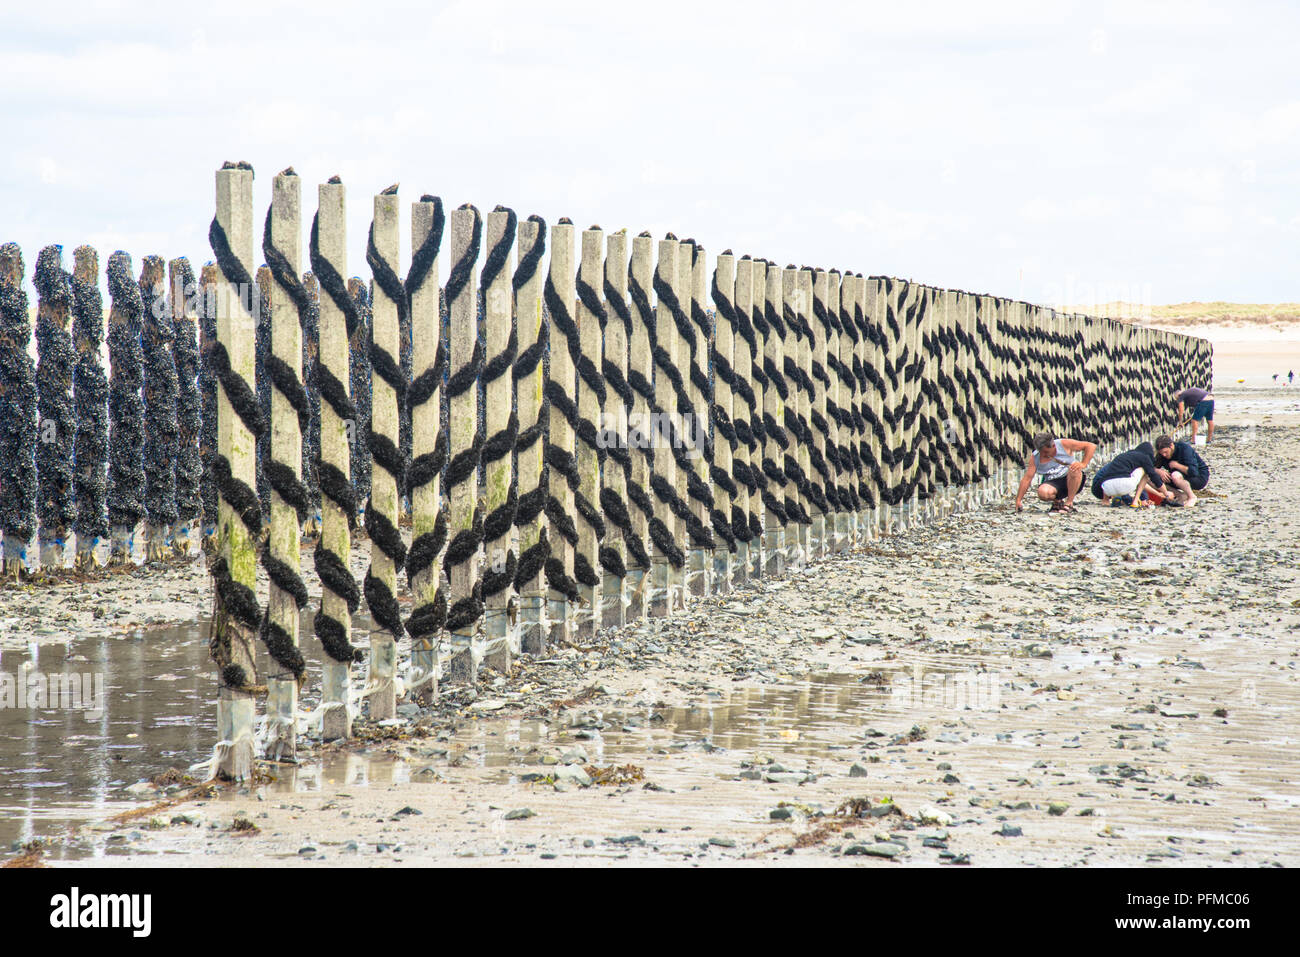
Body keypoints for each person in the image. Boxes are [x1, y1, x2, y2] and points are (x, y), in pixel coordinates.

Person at [1014, 431, 1096, 513]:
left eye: (1046, 452)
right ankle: (1057, 502)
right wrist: (1018, 500)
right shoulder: (1036, 456)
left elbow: (1090, 446)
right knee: (1043, 493)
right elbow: (1027, 479)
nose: (1043, 454)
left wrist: (1083, 463)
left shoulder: (1063, 444)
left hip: (1072, 479)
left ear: (1053, 446)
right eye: (1041, 452)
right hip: (1053, 482)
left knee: (1074, 468)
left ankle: (1069, 503)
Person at [1090, 441, 1170, 508]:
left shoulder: (1124, 457)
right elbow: (1153, 477)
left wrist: (1155, 495)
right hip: (1123, 485)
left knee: (1113, 475)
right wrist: (1166, 494)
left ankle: (1106, 501)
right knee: (1145, 473)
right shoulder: (1144, 457)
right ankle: (1135, 502)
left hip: (1106, 488)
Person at [1154, 434, 1208, 505]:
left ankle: (1191, 496)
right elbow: (1149, 467)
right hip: (1179, 478)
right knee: (1151, 478)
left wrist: (1177, 465)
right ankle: (1181, 495)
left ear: (1171, 446)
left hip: (1198, 477)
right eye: (1161, 453)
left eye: (1166, 452)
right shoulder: (1161, 455)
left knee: (1175, 475)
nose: (1164, 455)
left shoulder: (1184, 449)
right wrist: (1159, 471)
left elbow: (1193, 472)